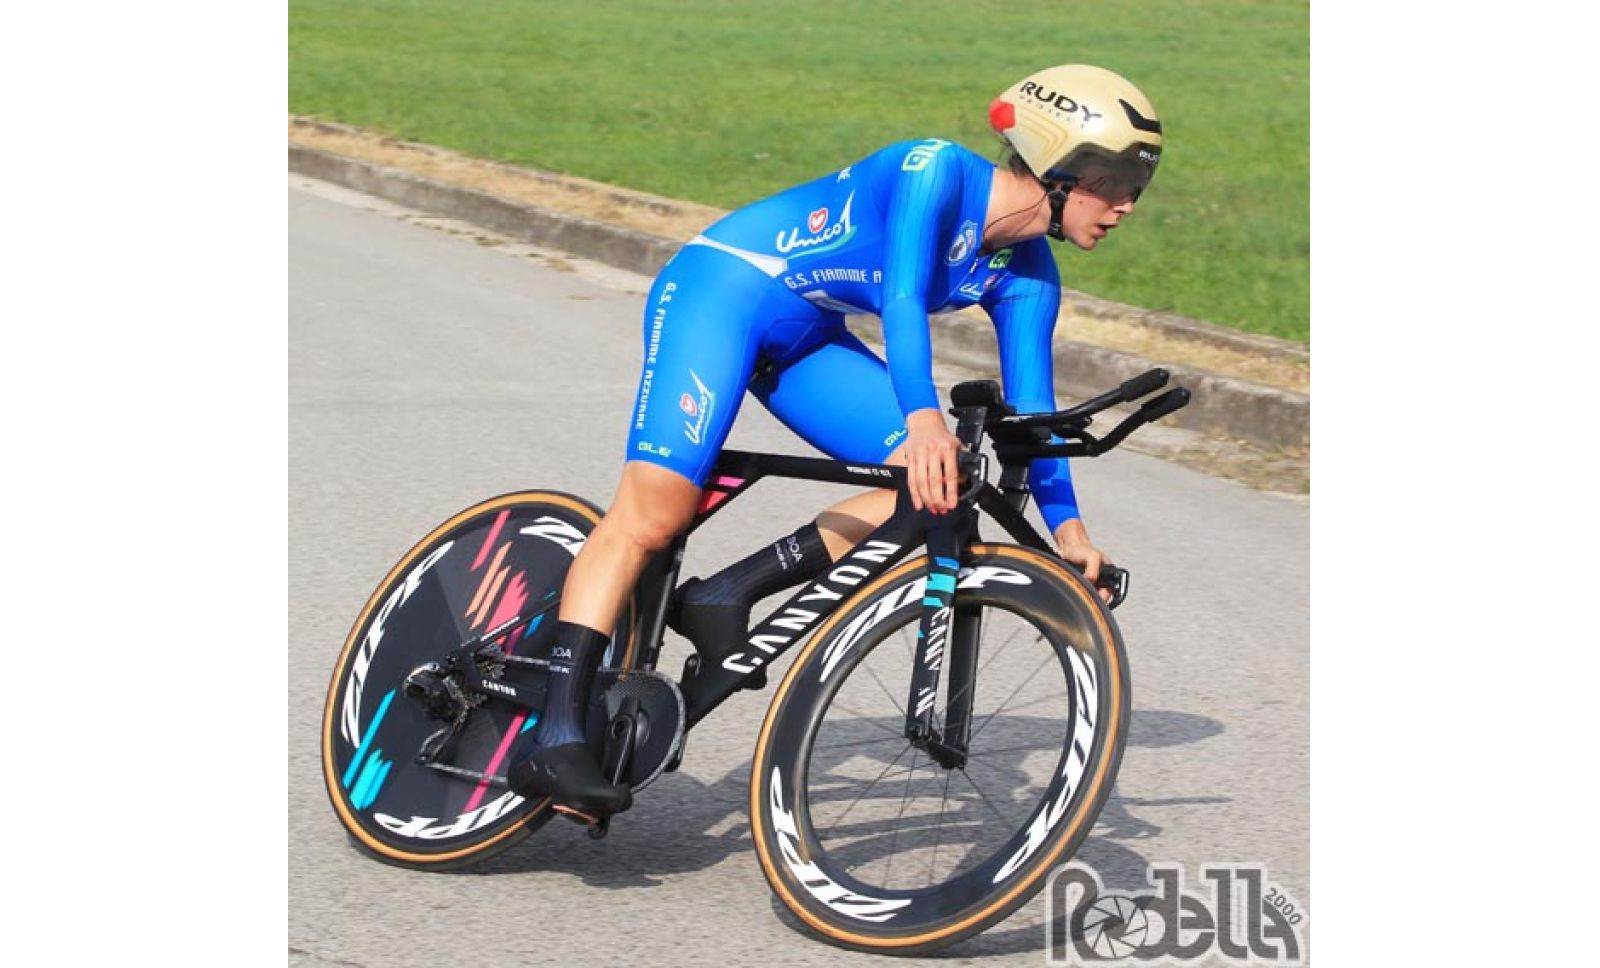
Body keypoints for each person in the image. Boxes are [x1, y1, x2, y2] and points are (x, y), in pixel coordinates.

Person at [508, 64, 1164, 823]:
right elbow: (903, 295)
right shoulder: (935, 170)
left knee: (932, 482)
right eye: (1112, 182)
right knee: (655, 515)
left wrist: (1071, 533)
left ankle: (728, 593)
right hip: (725, 290)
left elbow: (1034, 413)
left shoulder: (1028, 273)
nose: (1123, 207)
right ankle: (554, 737)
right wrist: (921, 418)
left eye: (1136, 190)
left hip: (807, 333)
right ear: (1057, 164)